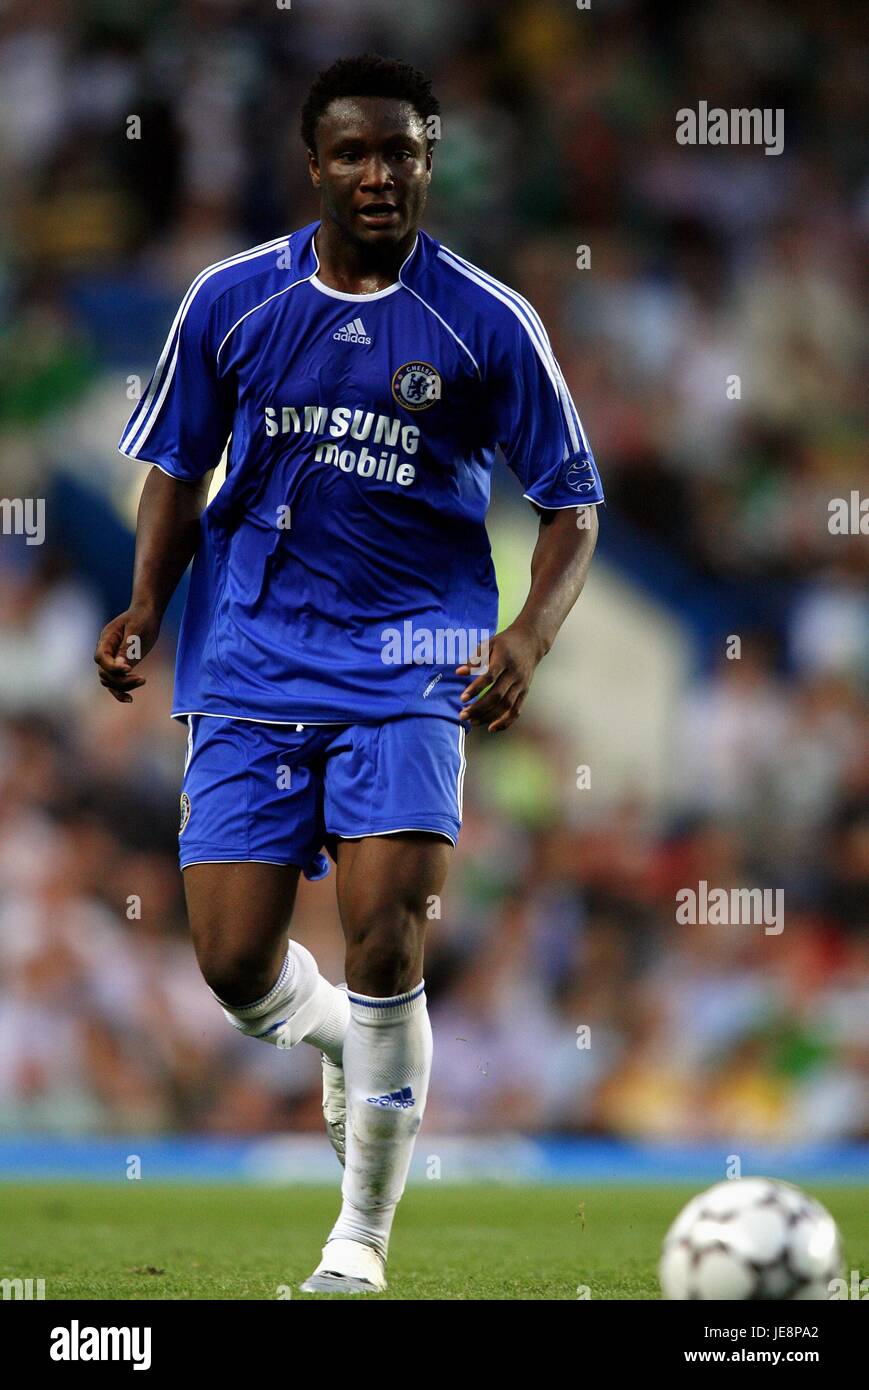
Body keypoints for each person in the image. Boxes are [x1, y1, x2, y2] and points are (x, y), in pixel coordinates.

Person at [94, 53, 603, 1294]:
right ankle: (343, 1040)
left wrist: (524, 636)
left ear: (431, 162)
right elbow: (175, 463)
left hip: (413, 661)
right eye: (355, 154)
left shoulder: (486, 322)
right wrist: (145, 604)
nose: (379, 174)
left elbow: (571, 502)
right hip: (252, 655)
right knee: (230, 966)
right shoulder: (228, 300)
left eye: (403, 153)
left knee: (387, 941)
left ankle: (357, 1240)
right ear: (313, 164)